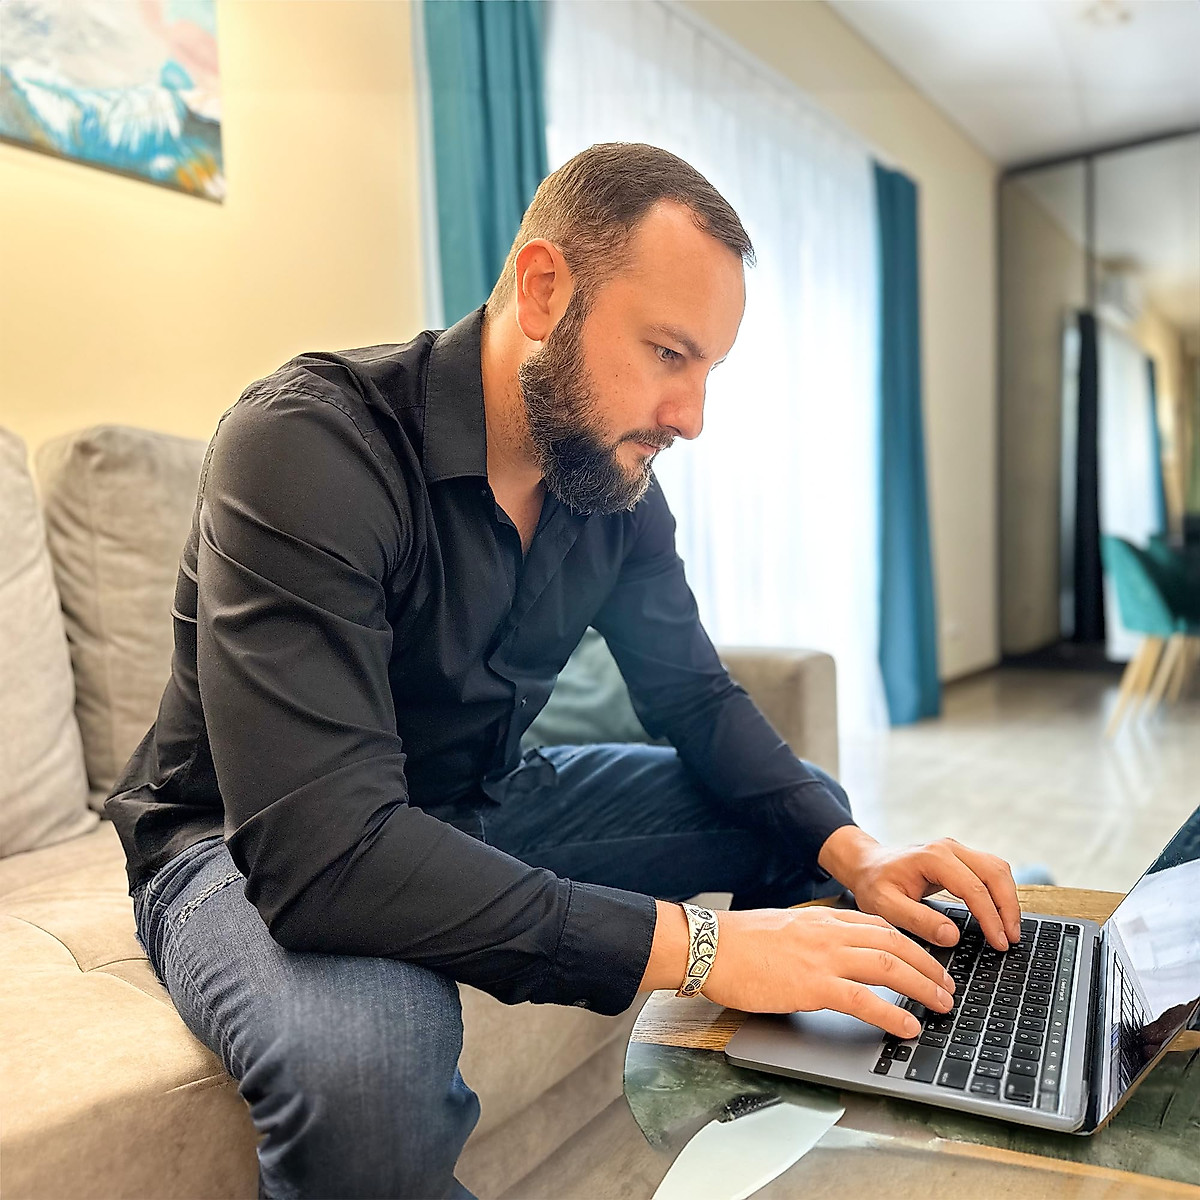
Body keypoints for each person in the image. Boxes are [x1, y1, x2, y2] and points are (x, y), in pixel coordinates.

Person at [108, 142, 1022, 1200]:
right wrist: (698, 946)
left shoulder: (613, 490)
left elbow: (695, 696)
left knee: (794, 815)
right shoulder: (310, 445)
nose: (691, 417)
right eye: (669, 353)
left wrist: (858, 852)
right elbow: (326, 854)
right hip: (247, 837)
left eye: (709, 371)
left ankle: (826, 1100)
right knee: (366, 1073)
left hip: (475, 802)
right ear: (544, 290)